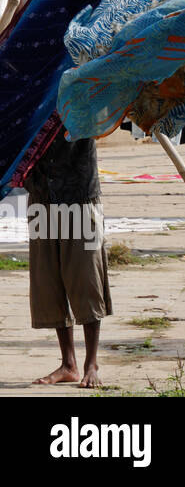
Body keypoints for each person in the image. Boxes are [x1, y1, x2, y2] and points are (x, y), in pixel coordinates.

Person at [24, 133, 111, 388]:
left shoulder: (85, 93)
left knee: (86, 277)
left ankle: (91, 364)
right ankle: (68, 364)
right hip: (41, 191)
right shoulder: (31, 94)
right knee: (49, 278)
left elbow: (103, 119)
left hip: (80, 192)